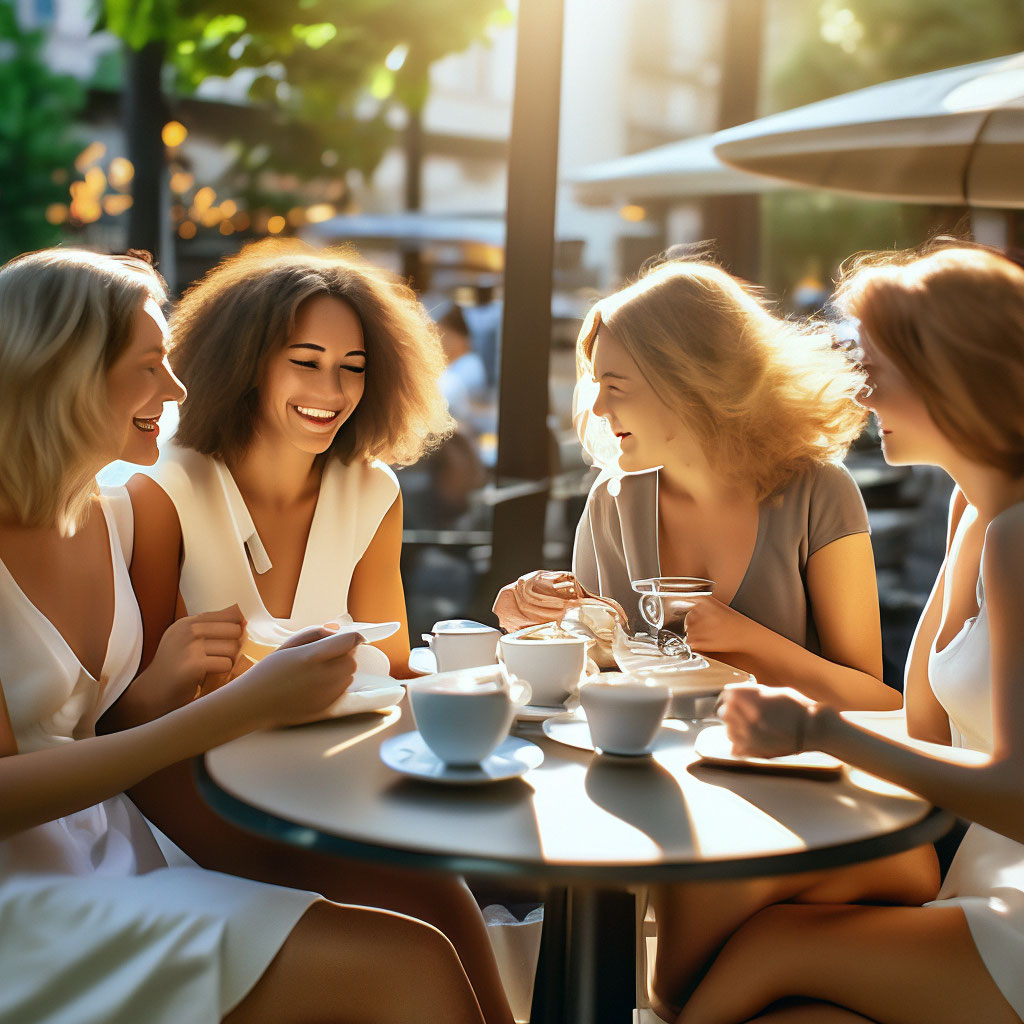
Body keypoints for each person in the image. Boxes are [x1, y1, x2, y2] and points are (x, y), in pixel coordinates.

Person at [0, 247, 486, 1024]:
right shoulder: (152, 500)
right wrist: (240, 704)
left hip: (118, 850)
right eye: (149, 365)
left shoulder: (106, 512)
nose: (179, 387)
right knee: (411, 961)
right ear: (61, 368)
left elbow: (110, 712)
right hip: (27, 898)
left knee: (434, 911)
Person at [493, 257, 938, 1020]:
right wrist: (532, 617)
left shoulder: (817, 493)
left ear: (689, 380)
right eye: (594, 382)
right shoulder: (613, 501)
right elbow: (596, 671)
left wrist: (751, 643)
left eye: (616, 384)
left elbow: (877, 702)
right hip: (677, 803)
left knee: (677, 977)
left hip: (824, 807)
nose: (595, 409)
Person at [678, 242, 1024, 1024]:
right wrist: (783, 739)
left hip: (1014, 911)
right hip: (979, 881)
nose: (861, 394)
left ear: (953, 373)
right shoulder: (972, 511)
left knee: (771, 948)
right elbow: (924, 728)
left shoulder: (1019, 538)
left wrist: (818, 729)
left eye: (879, 370)